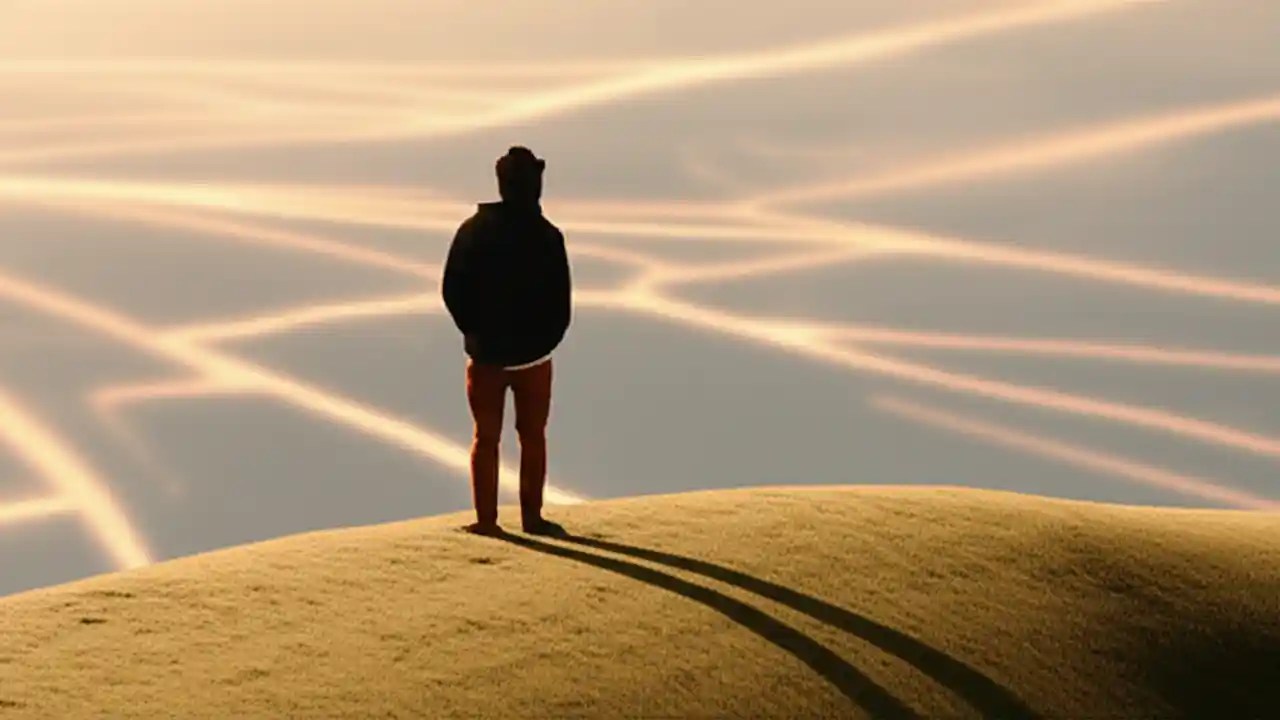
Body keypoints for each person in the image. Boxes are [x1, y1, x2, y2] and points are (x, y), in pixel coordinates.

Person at [442, 146, 572, 536]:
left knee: (487, 437)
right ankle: (531, 519)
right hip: (532, 358)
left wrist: (476, 334)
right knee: (531, 437)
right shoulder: (548, 236)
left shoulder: (473, 230)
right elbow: (561, 303)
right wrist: (543, 341)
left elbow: (453, 290)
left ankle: (487, 522)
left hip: (487, 359)